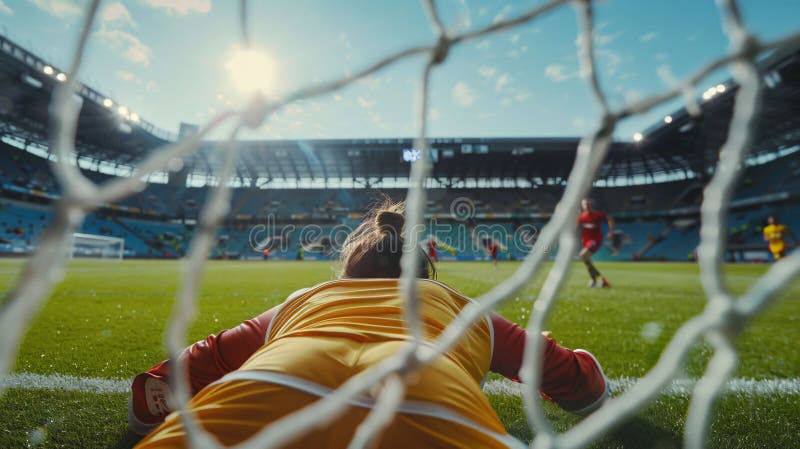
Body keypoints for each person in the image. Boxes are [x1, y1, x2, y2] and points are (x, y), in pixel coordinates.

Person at [129, 202, 610, 448]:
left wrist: (149, 408)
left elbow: (189, 367)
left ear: (345, 274)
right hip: (431, 397)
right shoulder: (462, 308)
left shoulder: (305, 299)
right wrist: (587, 377)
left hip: (269, 382)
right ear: (425, 275)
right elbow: (575, 382)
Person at [577, 198, 614, 288]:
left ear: (591, 204)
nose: (587, 205)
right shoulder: (581, 216)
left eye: (588, 203)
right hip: (585, 240)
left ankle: (596, 278)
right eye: (584, 204)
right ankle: (596, 279)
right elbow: (576, 227)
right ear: (582, 206)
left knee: (582, 255)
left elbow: (610, 219)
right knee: (586, 259)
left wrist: (611, 231)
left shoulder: (598, 215)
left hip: (595, 240)